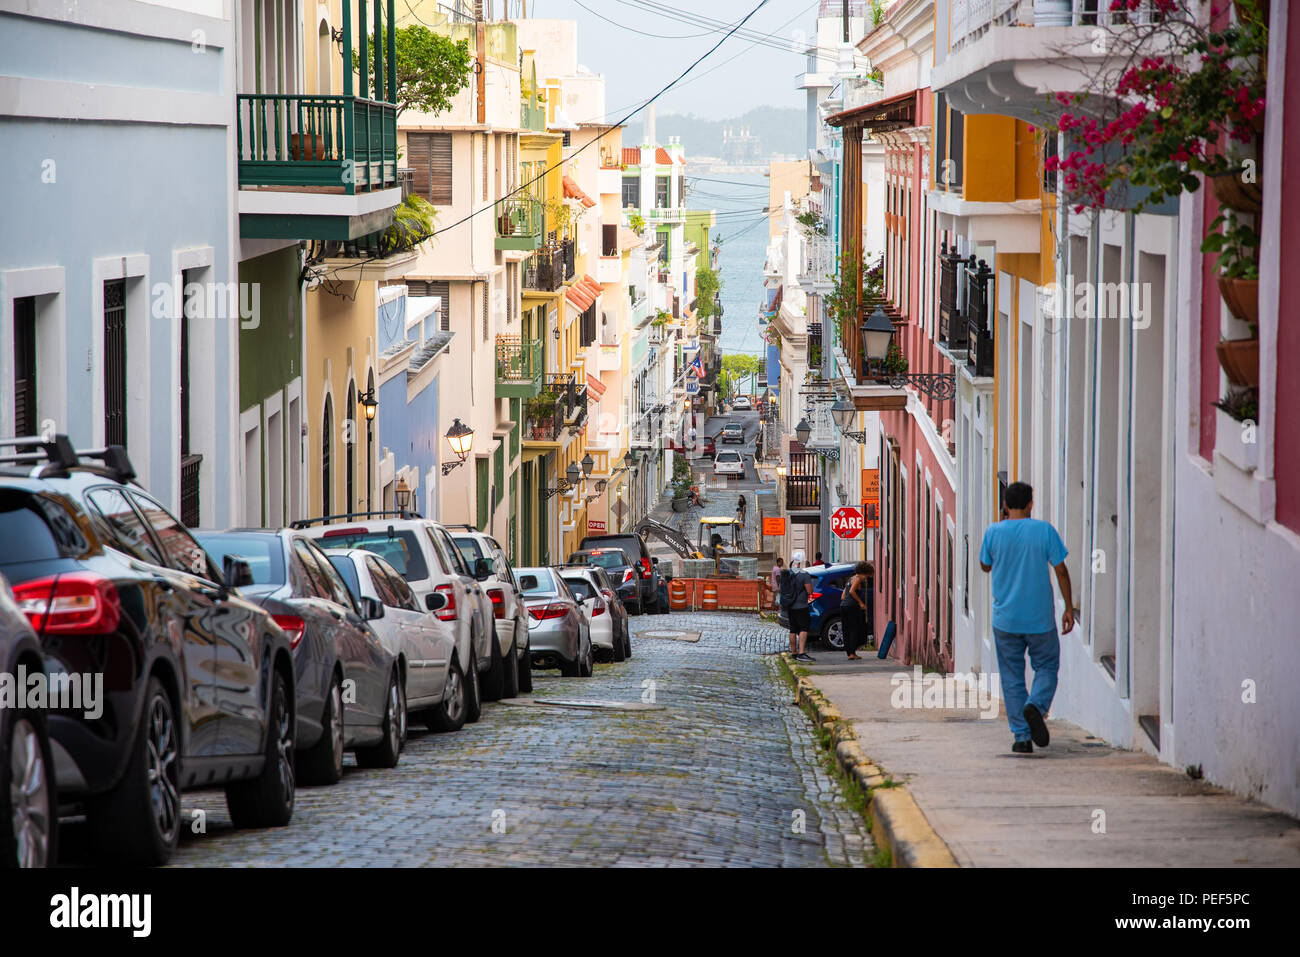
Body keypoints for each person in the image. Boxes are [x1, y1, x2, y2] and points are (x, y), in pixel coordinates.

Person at [979, 481, 1075, 755]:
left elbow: (985, 566)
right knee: (1046, 667)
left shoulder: (993, 532)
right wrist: (1068, 607)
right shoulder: (1044, 531)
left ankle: (1021, 737)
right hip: (1040, 619)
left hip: (1005, 620)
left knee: (1011, 677)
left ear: (1005, 506)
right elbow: (1061, 571)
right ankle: (1037, 705)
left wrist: (999, 534)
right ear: (1031, 503)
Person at [781, 550, 815, 661]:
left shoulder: (788, 573)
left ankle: (794, 652)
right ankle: (801, 653)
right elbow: (809, 591)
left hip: (790, 605)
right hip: (801, 606)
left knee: (793, 629)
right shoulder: (804, 574)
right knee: (804, 628)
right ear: (801, 562)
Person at [840, 561, 871, 659]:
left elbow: (843, 596)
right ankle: (852, 653)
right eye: (866, 575)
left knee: (846, 629)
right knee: (854, 629)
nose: (866, 578)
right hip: (852, 606)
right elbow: (852, 591)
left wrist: (847, 601)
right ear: (863, 572)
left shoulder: (850, 579)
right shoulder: (857, 579)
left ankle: (849, 653)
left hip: (843, 605)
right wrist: (861, 603)